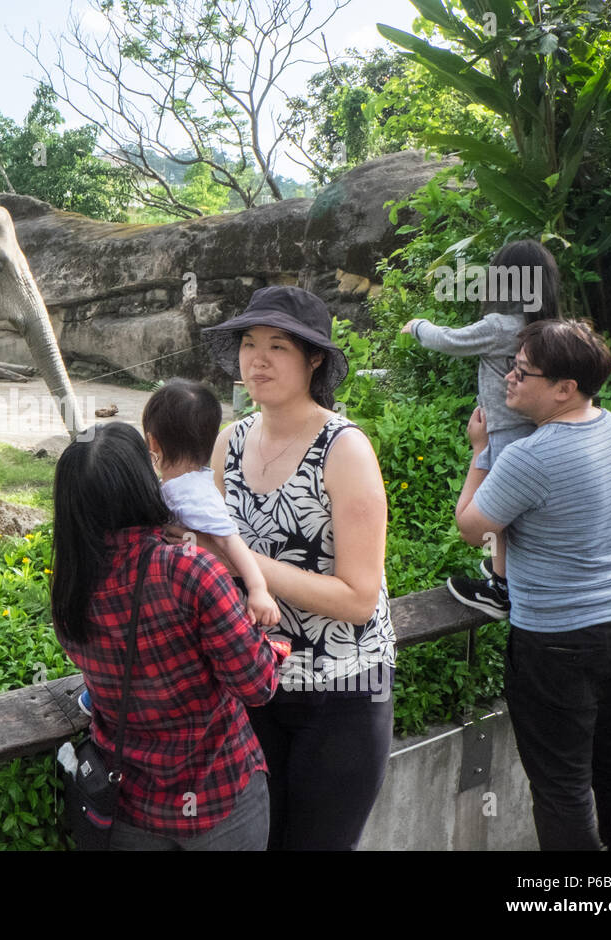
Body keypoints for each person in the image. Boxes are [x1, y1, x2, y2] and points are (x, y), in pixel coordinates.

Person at [202, 285, 395, 851]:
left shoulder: (345, 449)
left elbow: (359, 598)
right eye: (249, 343)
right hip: (253, 684)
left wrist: (247, 564)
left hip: (342, 690)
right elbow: (204, 555)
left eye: (278, 346)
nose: (257, 359)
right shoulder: (228, 445)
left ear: (314, 359)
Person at [454, 319, 611, 850]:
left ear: (565, 388)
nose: (510, 379)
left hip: (557, 642)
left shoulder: (529, 457)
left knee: (562, 787)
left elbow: (473, 527)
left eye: (523, 371)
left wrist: (481, 451)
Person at [51, 422, 287, 850]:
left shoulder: (68, 588)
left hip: (130, 810)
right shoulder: (191, 571)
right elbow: (258, 685)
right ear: (144, 479)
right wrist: (272, 646)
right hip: (221, 801)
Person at [402, 239, 560, 618]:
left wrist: (419, 327)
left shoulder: (500, 326)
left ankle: (500, 589)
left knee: (498, 514)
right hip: (539, 427)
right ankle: (507, 571)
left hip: (504, 431)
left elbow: (452, 340)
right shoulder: (548, 327)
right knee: (517, 512)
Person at [142, 378, 281, 629]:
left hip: (208, 599)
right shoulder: (182, 485)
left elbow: (229, 539)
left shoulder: (194, 493)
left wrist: (258, 589)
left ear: (152, 443)